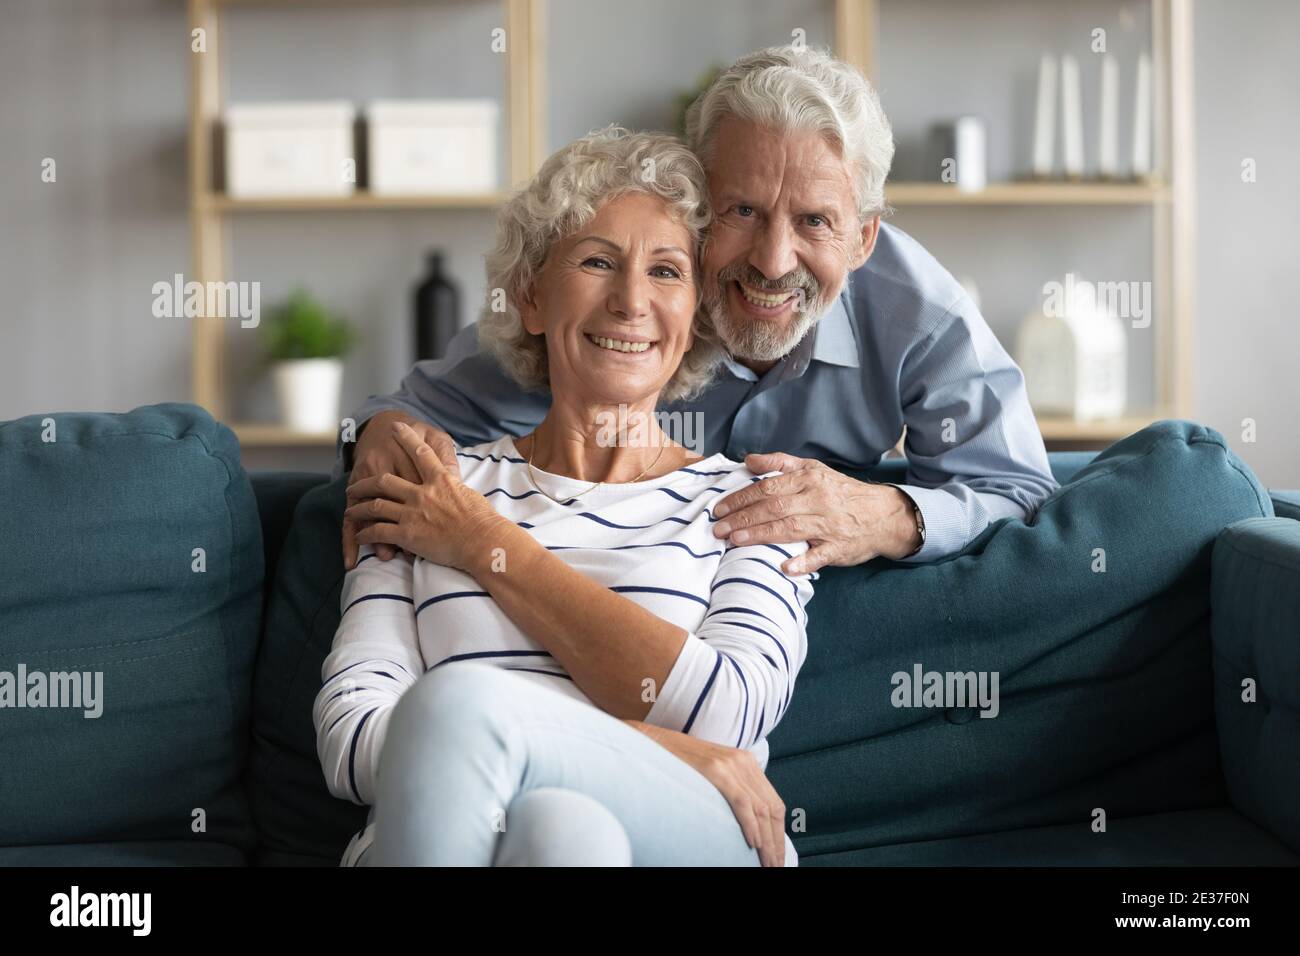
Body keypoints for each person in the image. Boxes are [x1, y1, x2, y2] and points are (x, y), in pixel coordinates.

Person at [337, 45, 1058, 580]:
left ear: (864, 237)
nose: (774, 262)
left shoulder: (917, 313)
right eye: (742, 210)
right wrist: (386, 439)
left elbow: (1019, 489)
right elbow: (406, 413)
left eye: (814, 221)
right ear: (697, 201)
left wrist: (889, 514)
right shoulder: (624, 311)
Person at [313, 128, 812, 866]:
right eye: (597, 261)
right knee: (561, 833)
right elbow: (350, 739)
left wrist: (482, 544)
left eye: (668, 271)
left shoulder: (753, 503)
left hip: (685, 832)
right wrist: (641, 743)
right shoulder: (429, 490)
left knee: (458, 710)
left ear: (694, 315)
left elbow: (725, 715)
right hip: (467, 839)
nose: (632, 300)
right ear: (532, 297)